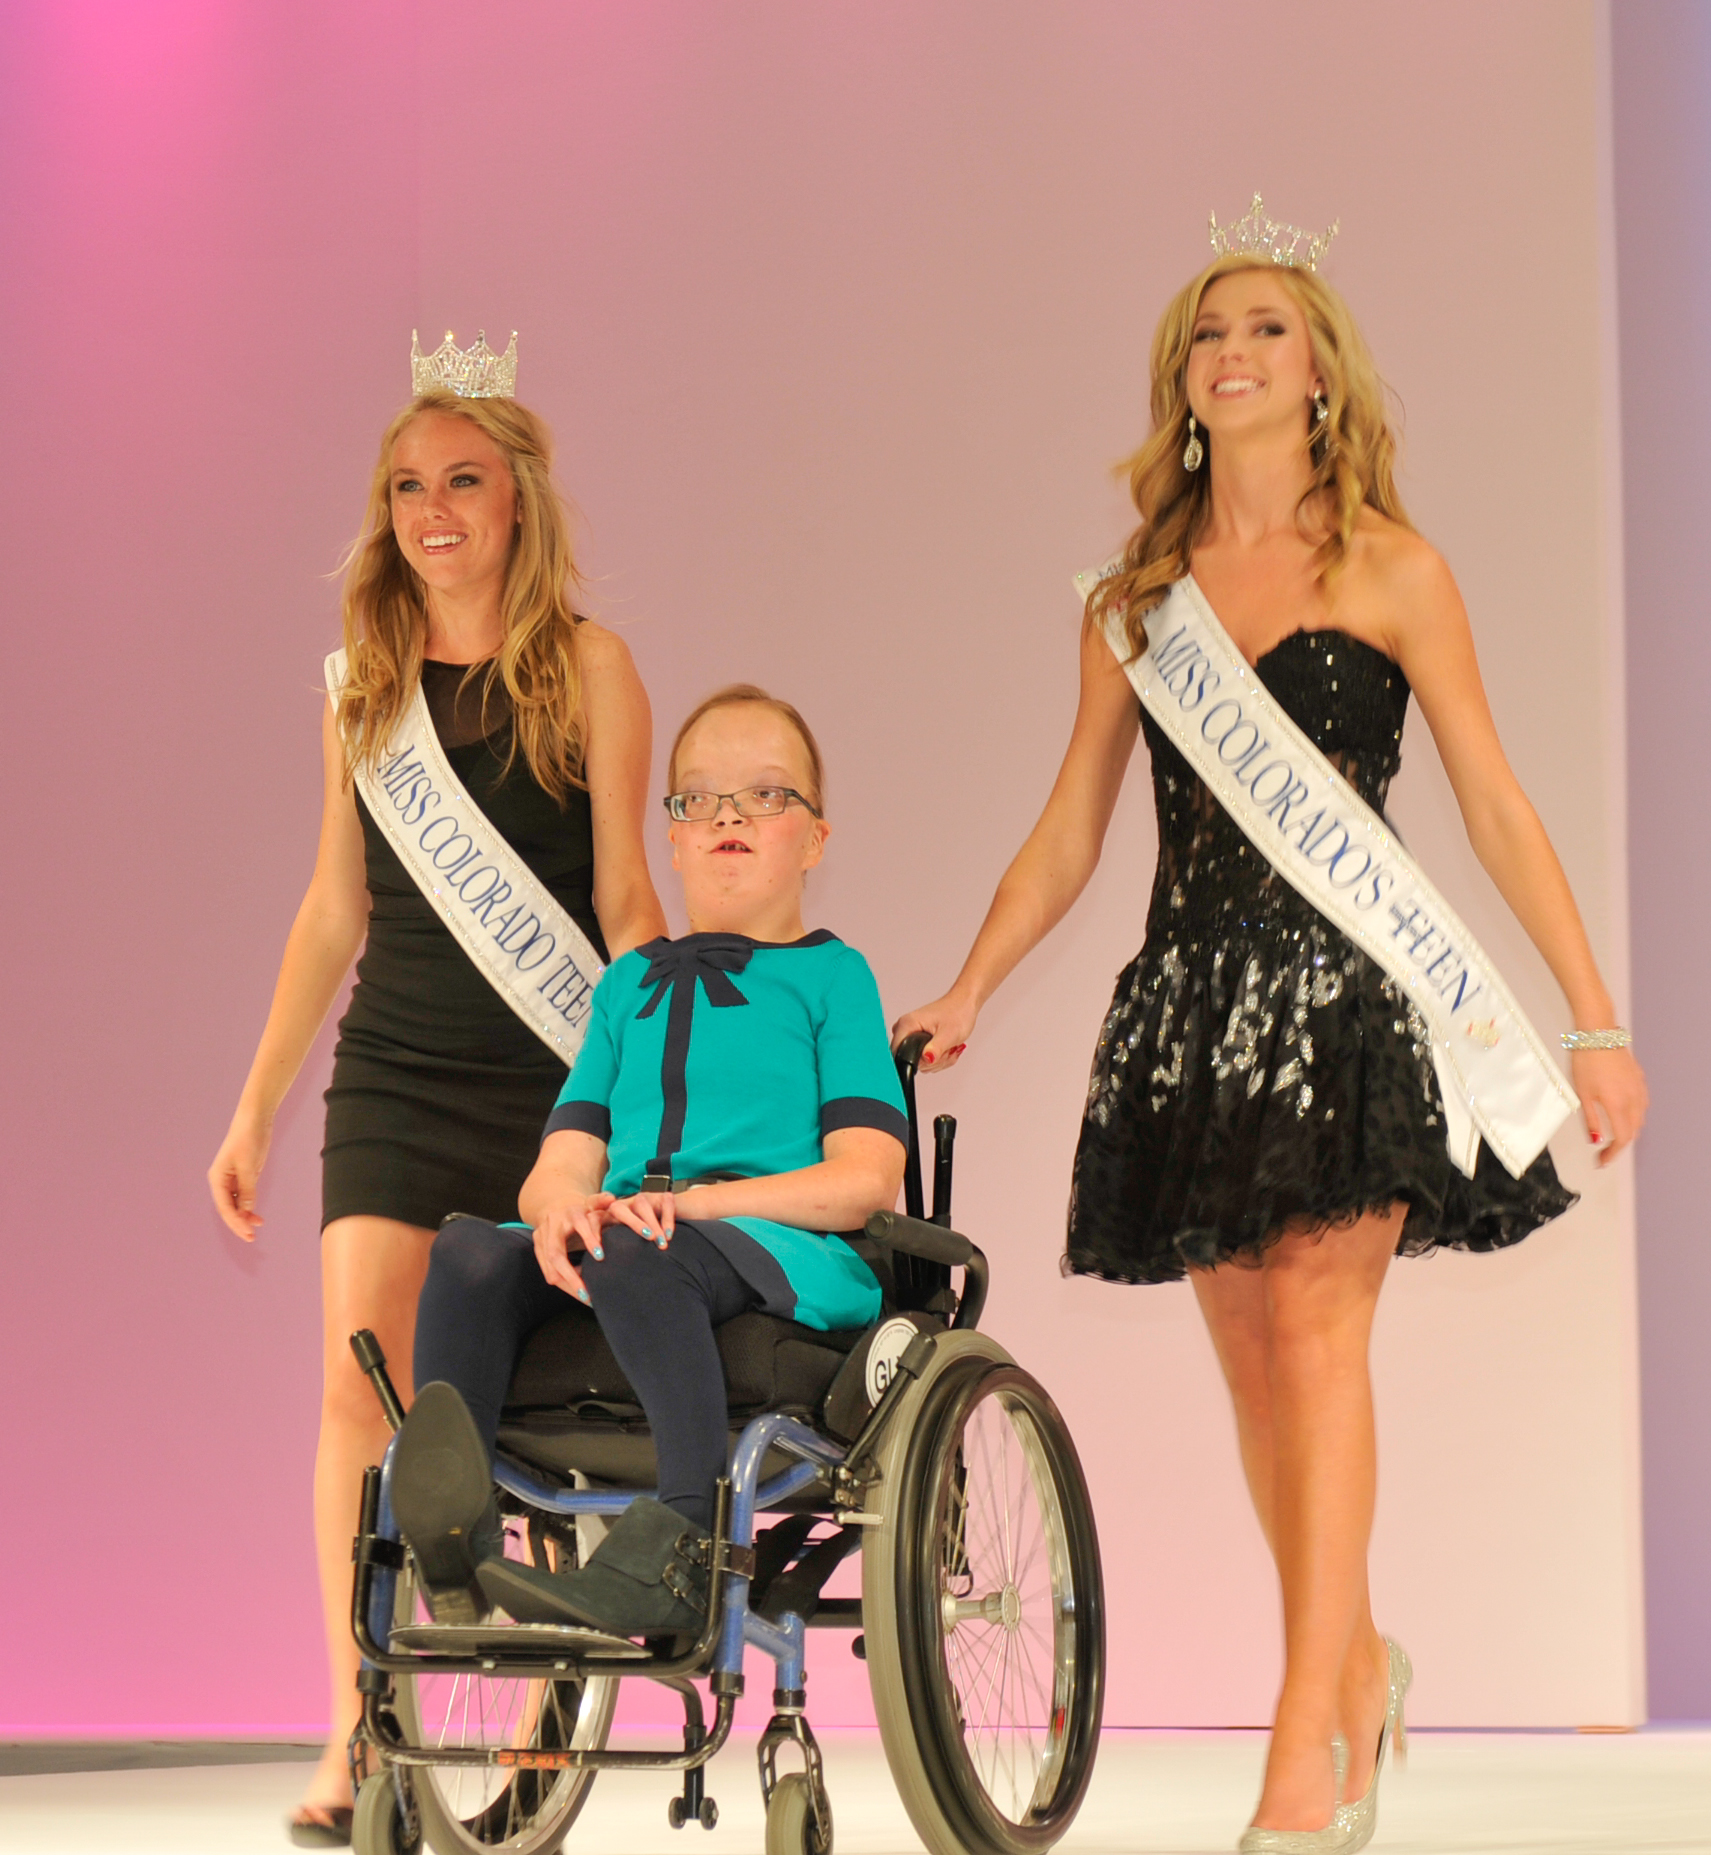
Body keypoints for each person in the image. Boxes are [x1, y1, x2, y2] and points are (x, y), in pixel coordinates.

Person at [894, 212, 1648, 1853]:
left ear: (1321, 377)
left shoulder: (1391, 567)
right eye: (1207, 333)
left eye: (1266, 330)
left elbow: (1496, 806)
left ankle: (1299, 1756)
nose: (1231, 352)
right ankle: (1361, 1660)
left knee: (1322, 1347)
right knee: (1257, 1384)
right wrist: (970, 982)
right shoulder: (1136, 599)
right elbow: (1070, 832)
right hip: (1191, 1009)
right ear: (1184, 383)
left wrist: (1591, 1014)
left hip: (1346, 1008)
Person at [207, 338, 665, 1846]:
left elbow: (618, 902)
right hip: (394, 1072)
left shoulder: (590, 666)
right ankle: (361, 1721)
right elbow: (332, 910)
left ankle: (539, 1698)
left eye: (462, 479)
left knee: (517, 1402)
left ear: (518, 500)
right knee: (357, 1387)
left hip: (547, 1081)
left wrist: (665, 1073)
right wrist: (255, 1106)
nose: (432, 509)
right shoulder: (362, 688)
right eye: (408, 485)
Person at [387, 684, 907, 1637]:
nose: (727, 818)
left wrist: (702, 1207)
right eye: (699, 799)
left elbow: (869, 1179)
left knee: (639, 1250)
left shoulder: (834, 976)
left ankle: (683, 1541)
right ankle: (455, 1540)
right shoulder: (628, 987)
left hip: (774, 1247)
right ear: (670, 835)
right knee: (466, 1251)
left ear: (815, 840)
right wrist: (560, 1211)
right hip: (631, 1239)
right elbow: (560, 1160)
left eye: (764, 796)